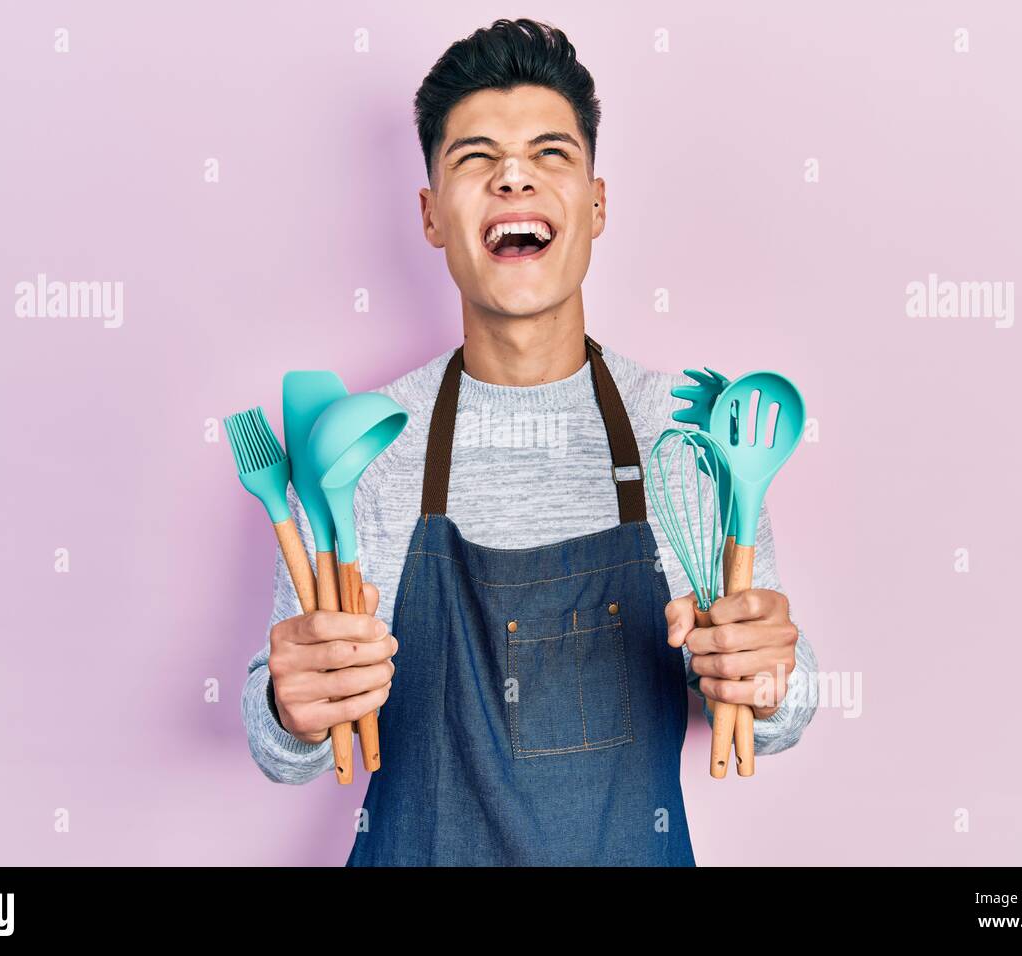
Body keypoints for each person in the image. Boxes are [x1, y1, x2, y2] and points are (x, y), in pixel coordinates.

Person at [242, 18, 818, 866]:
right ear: (433, 214)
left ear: (596, 204)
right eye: (475, 157)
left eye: (551, 153)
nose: (513, 175)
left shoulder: (689, 440)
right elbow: (275, 738)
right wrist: (292, 707)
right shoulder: (362, 448)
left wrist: (771, 674)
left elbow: (779, 711)